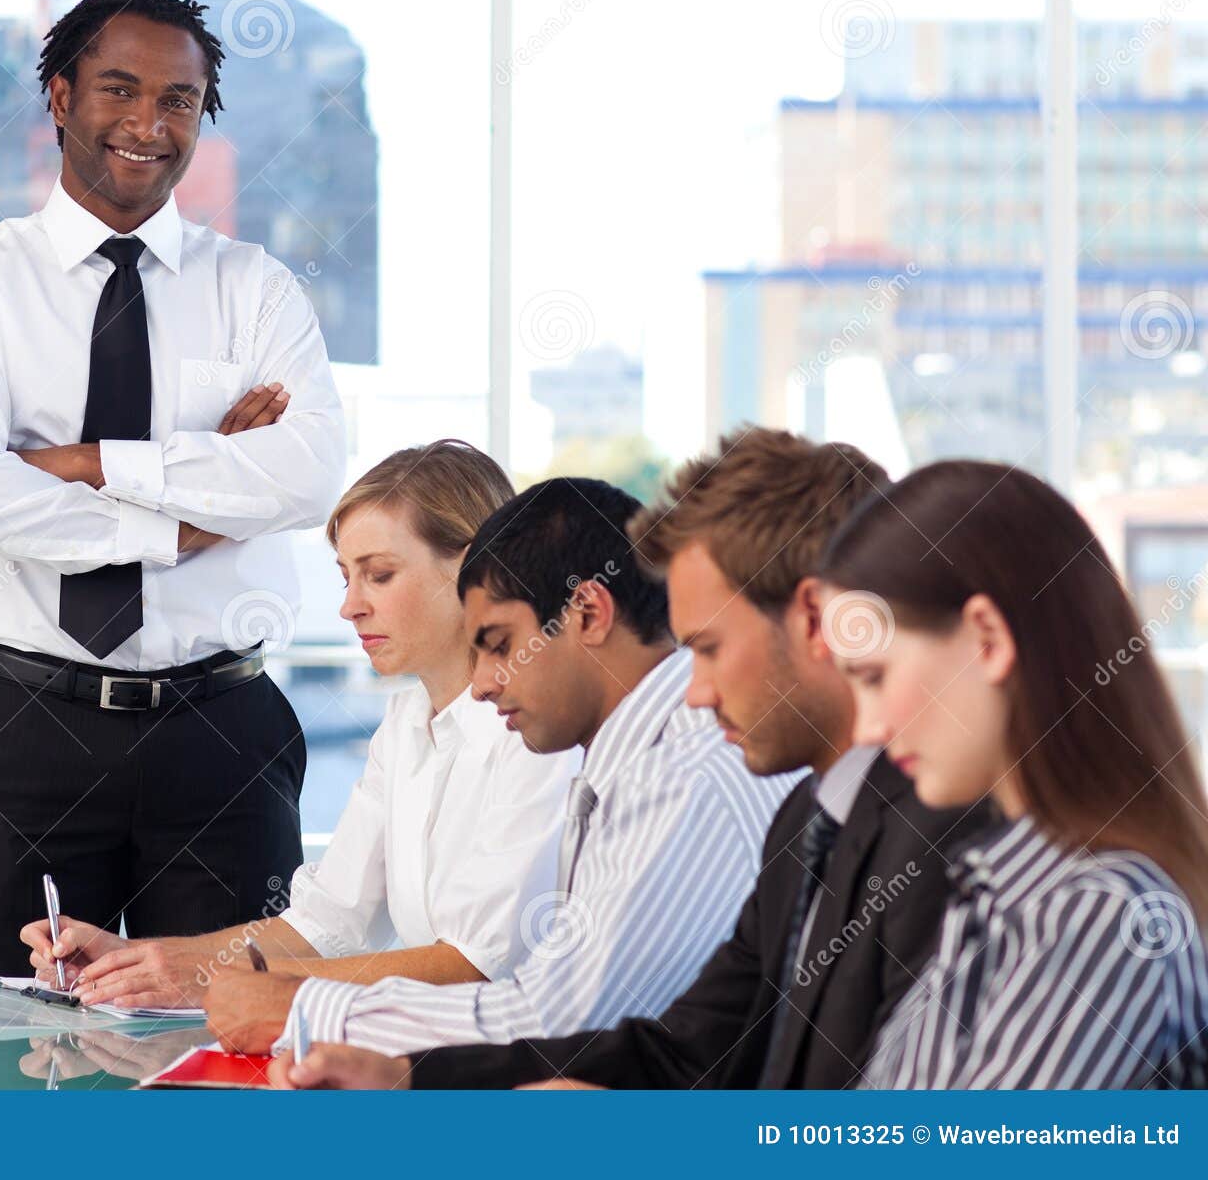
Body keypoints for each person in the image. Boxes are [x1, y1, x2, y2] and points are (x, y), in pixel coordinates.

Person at [267, 427, 991, 1092]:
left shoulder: (707, 775)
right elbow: (682, 1050)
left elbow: (564, 1016)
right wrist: (406, 1082)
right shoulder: (808, 817)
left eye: (707, 647)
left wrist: (313, 1006)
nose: (695, 693)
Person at [0, 0, 346, 978]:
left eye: (177, 99)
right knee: (16, 1037)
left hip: (223, 734)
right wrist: (182, 516)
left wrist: (83, 463)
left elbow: (306, 474)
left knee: (226, 1035)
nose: (149, 123)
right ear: (60, 97)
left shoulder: (255, 290)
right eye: (118, 89)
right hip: (26, 730)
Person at [201, 478, 797, 1057]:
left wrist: (305, 1005)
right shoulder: (623, 761)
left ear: (588, 614)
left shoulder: (674, 774)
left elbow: (553, 1016)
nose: (483, 685)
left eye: (501, 644)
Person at [19, 441, 575, 1008]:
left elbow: (476, 967)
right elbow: (325, 925)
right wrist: (137, 961)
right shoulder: (406, 724)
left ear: (475, 569)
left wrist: (214, 982)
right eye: (346, 579)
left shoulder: (542, 734)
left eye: (379, 575)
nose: (350, 607)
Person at [818, 460, 1208, 1089]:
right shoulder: (999, 896)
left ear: (988, 638)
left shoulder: (1099, 917)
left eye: (874, 676)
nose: (866, 729)